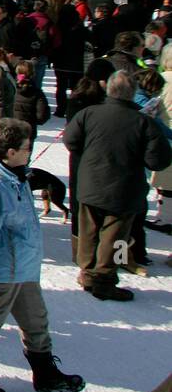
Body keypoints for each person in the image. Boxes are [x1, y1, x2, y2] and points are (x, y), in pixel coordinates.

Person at [0, 118, 85, 392]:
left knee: (36, 322)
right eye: (26, 148)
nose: (30, 153)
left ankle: (45, 372)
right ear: (10, 152)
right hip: (2, 273)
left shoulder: (18, 175)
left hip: (25, 268)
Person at [63, 70, 171, 301]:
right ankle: (104, 279)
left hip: (91, 183)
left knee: (89, 232)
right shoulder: (143, 122)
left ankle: (88, 272)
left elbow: (71, 141)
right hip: (124, 190)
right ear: (132, 93)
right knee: (116, 238)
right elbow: (158, 160)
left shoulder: (88, 113)